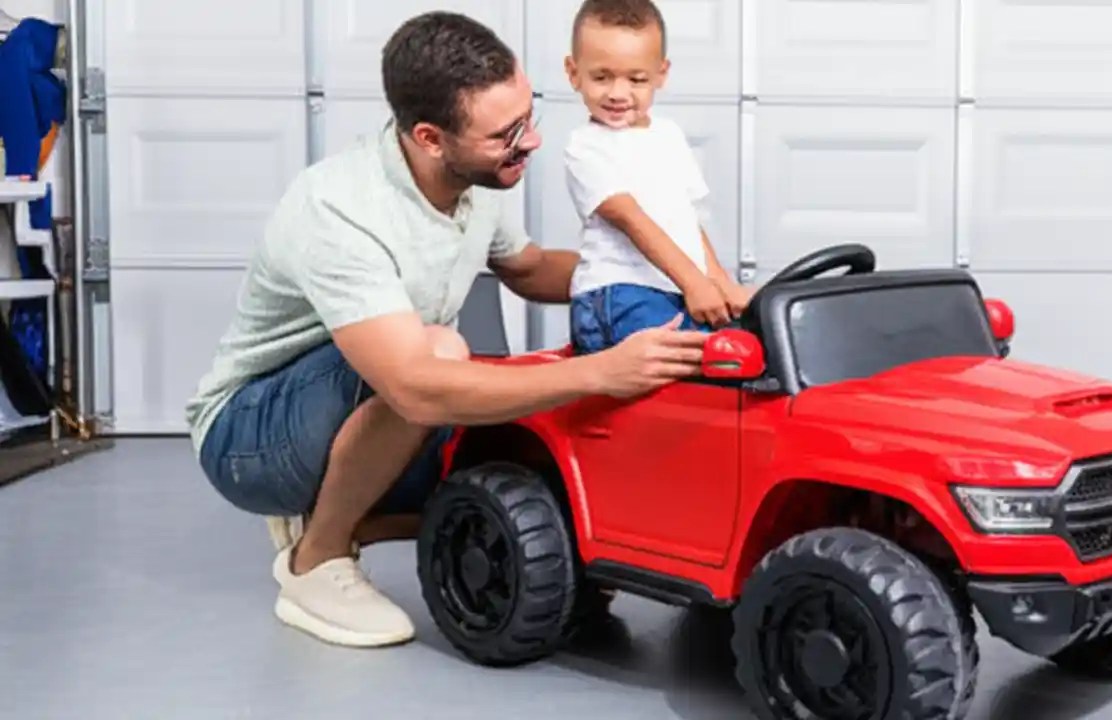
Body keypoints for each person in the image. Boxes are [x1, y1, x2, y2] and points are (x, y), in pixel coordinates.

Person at [184, 11, 708, 649]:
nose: (532, 141)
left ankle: (342, 512)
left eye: (529, 115)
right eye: (507, 133)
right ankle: (315, 560)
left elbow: (533, 269)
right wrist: (599, 371)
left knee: (513, 457)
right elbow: (415, 388)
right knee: (441, 354)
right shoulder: (340, 209)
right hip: (251, 435)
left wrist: (675, 279)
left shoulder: (475, 180)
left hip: (372, 399)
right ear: (432, 138)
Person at [561, 0, 755, 354]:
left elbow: (686, 221)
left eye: (636, 79)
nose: (618, 93)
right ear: (573, 73)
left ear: (661, 74)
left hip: (674, 286)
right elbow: (632, 220)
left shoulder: (668, 136)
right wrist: (695, 283)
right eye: (601, 77)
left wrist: (720, 282)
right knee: (699, 359)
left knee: (741, 352)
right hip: (619, 294)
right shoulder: (586, 146)